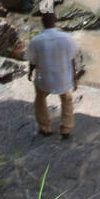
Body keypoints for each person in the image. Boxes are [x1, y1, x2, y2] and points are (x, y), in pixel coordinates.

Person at [24, 11, 79, 139]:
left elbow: (32, 61)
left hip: (45, 79)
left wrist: (30, 72)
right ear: (55, 20)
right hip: (63, 78)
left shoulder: (36, 41)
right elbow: (72, 59)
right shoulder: (67, 38)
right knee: (67, 100)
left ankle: (45, 127)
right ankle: (66, 128)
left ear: (43, 22)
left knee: (40, 100)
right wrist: (74, 77)